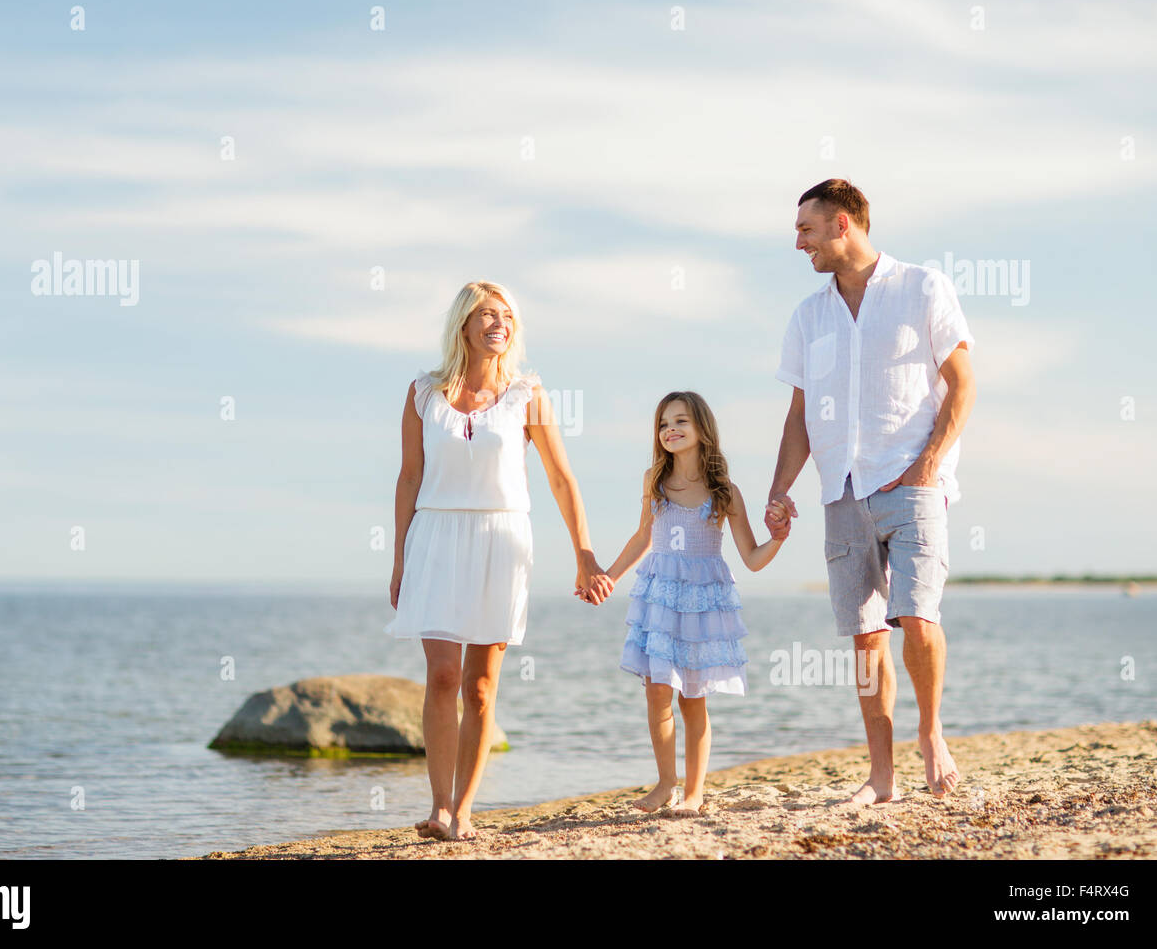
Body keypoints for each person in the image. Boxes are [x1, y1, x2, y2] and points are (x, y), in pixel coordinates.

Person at [766, 179, 977, 805]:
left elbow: (963, 384)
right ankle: (881, 776)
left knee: (916, 616)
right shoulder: (809, 315)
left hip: (912, 482)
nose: (797, 241)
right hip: (841, 492)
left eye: (805, 229)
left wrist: (930, 464)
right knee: (864, 638)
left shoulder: (923, 287)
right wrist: (779, 489)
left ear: (842, 225)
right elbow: (799, 414)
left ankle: (932, 734)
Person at [388, 280, 614, 841]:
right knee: (441, 674)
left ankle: (465, 809)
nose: (499, 323)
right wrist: (399, 557)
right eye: (487, 314)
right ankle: (440, 807)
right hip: (437, 534)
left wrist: (584, 554)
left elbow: (562, 478)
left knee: (480, 685)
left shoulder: (527, 393)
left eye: (507, 315)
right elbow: (409, 477)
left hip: (502, 535)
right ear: (463, 324)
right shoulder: (422, 392)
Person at [601, 391, 790, 815]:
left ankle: (694, 791)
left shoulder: (724, 490)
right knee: (656, 692)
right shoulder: (654, 479)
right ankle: (666, 782)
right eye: (664, 423)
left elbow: (753, 559)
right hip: (661, 597)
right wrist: (609, 577)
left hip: (702, 603)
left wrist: (777, 539)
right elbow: (642, 537)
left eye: (680, 421)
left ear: (703, 429)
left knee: (693, 697)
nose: (670, 429)